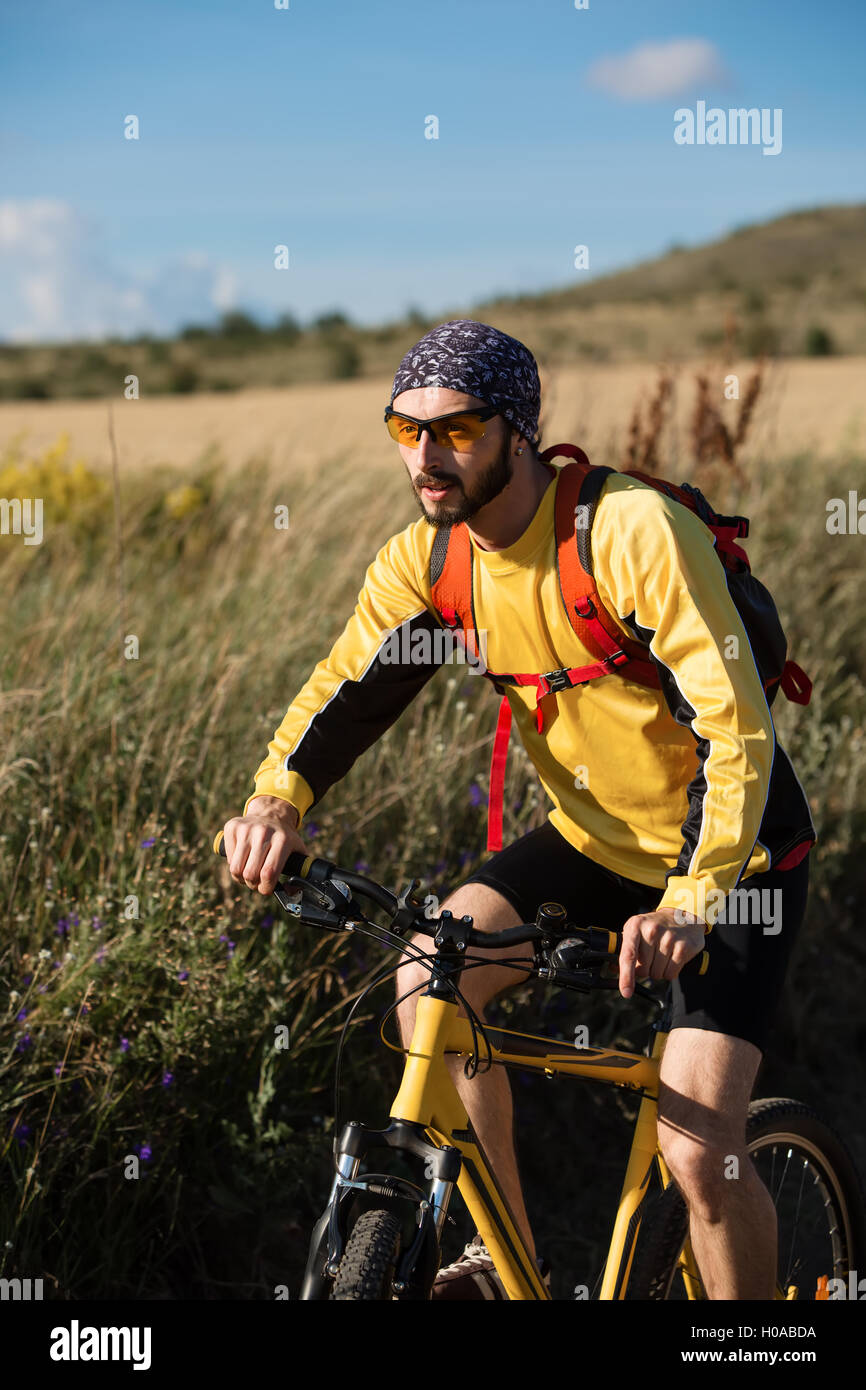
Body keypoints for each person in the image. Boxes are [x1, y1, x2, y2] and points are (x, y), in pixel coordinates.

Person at [221, 318, 815, 1300]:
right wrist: (275, 801)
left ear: (518, 431)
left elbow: (732, 725)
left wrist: (691, 899)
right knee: (429, 982)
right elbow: (347, 687)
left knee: (695, 1147)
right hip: (591, 843)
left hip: (734, 861)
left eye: (454, 430)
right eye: (403, 430)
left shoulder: (626, 535)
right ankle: (509, 1263)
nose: (424, 455)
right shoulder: (431, 563)